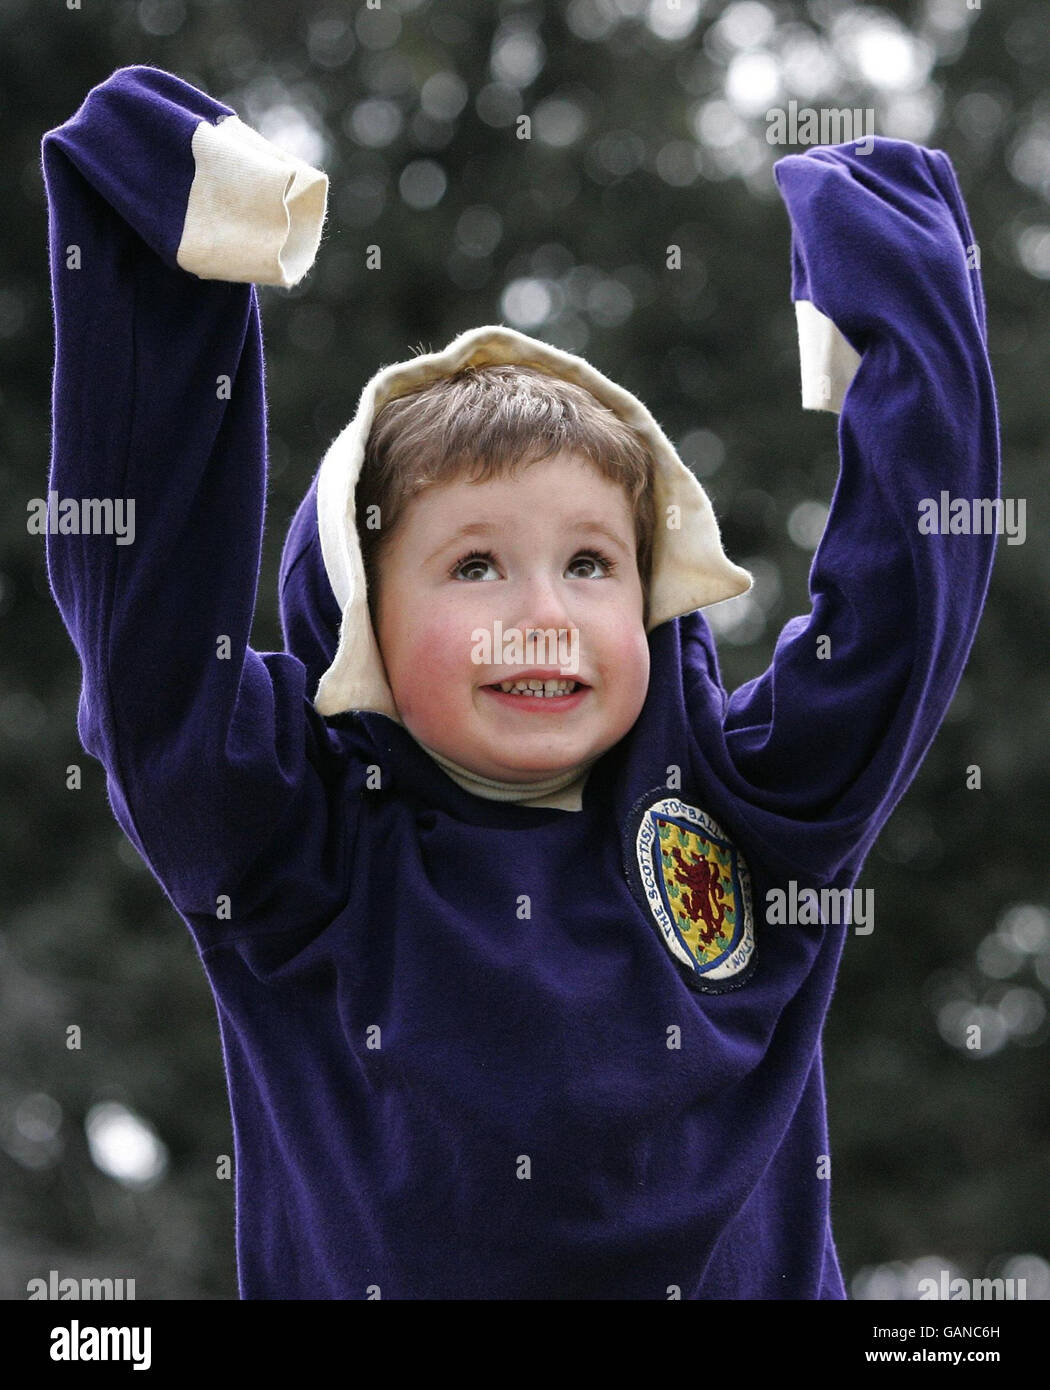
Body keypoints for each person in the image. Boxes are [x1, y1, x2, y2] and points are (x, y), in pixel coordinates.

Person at [41, 65, 1000, 1299]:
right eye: (477, 564)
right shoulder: (290, 844)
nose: (543, 618)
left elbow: (903, 610)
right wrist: (173, 243)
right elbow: (149, 632)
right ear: (363, 621)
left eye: (593, 562)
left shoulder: (756, 820)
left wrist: (894, 279)